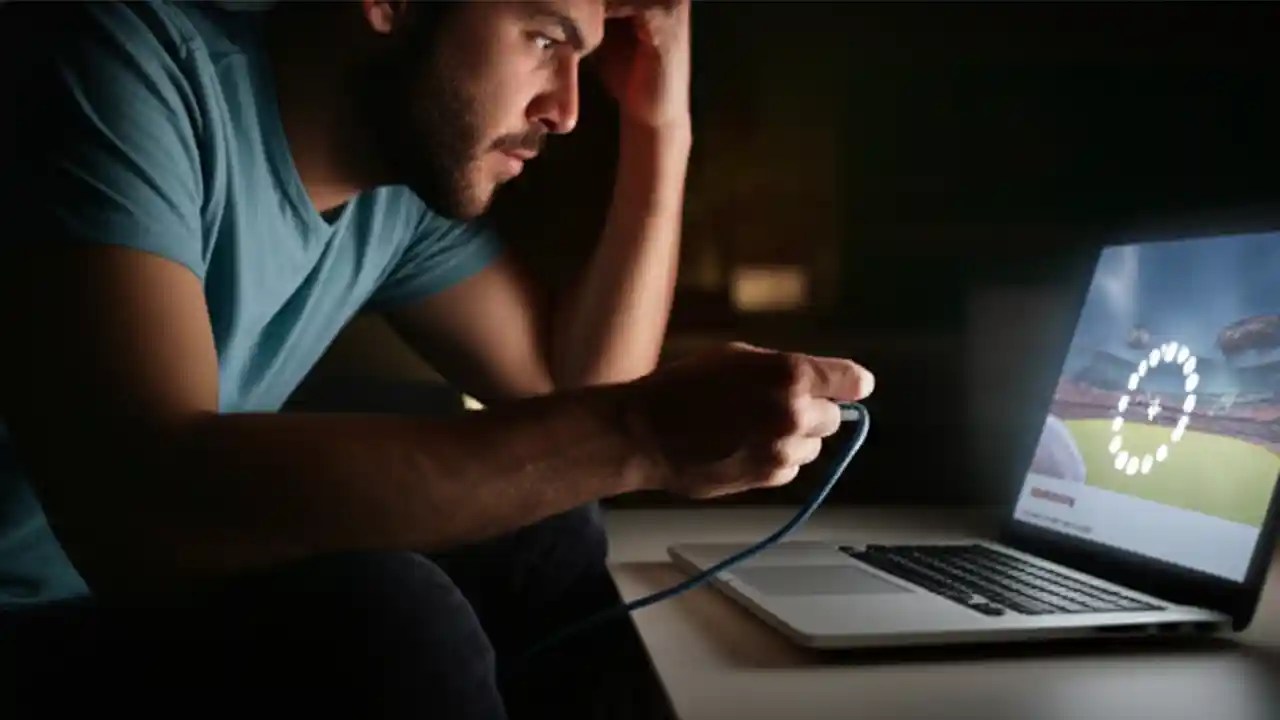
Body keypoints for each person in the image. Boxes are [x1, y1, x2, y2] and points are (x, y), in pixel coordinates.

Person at [0, 0, 875, 717]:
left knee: (547, 531)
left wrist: (661, 126)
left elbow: (577, 405)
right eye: (544, 41)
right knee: (391, 624)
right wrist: (641, 433)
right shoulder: (122, 64)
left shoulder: (395, 200)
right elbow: (143, 507)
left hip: (130, 596)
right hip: (32, 610)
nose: (567, 110)